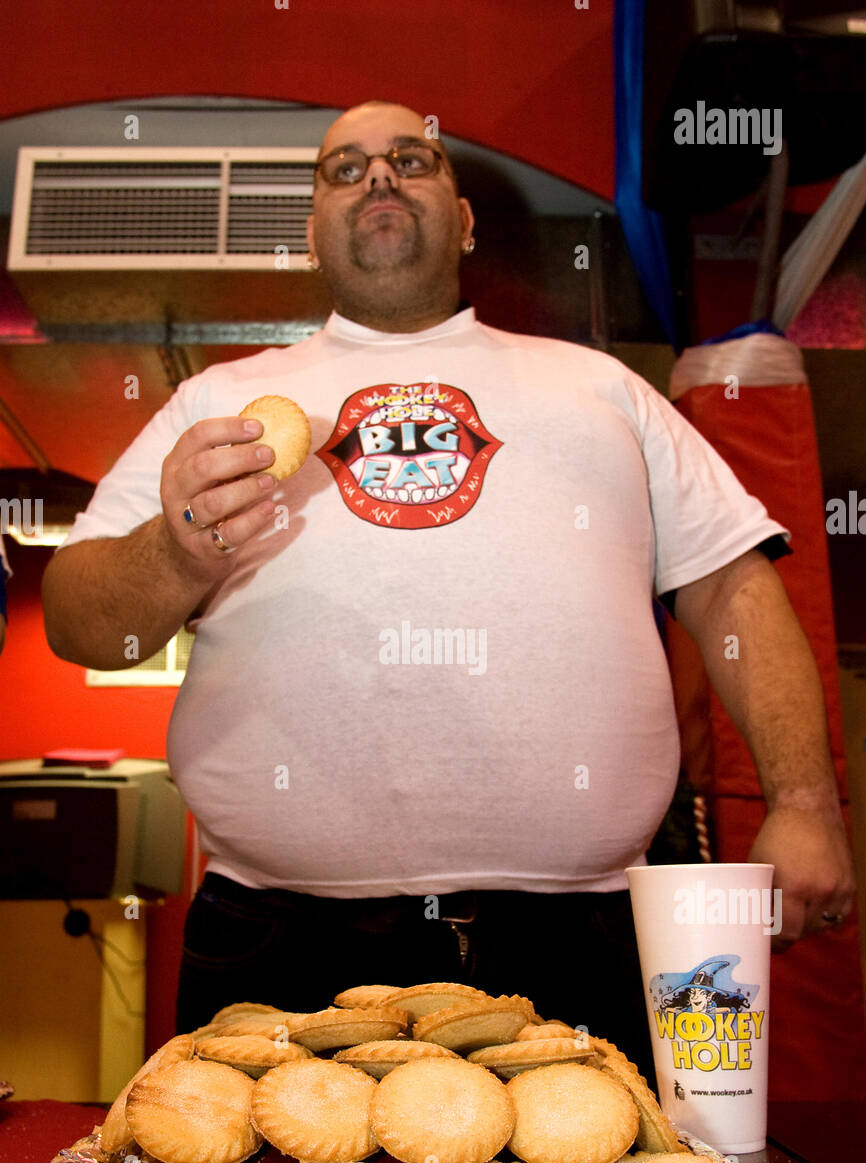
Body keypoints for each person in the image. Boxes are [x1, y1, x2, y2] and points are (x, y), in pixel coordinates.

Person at [41, 101, 855, 1079]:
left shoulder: (600, 388)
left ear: (465, 220)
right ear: (309, 234)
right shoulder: (212, 406)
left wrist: (805, 798)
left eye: (409, 159)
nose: (377, 179)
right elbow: (79, 619)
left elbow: (730, 587)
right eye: (344, 169)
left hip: (576, 938)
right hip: (278, 942)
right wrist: (175, 553)